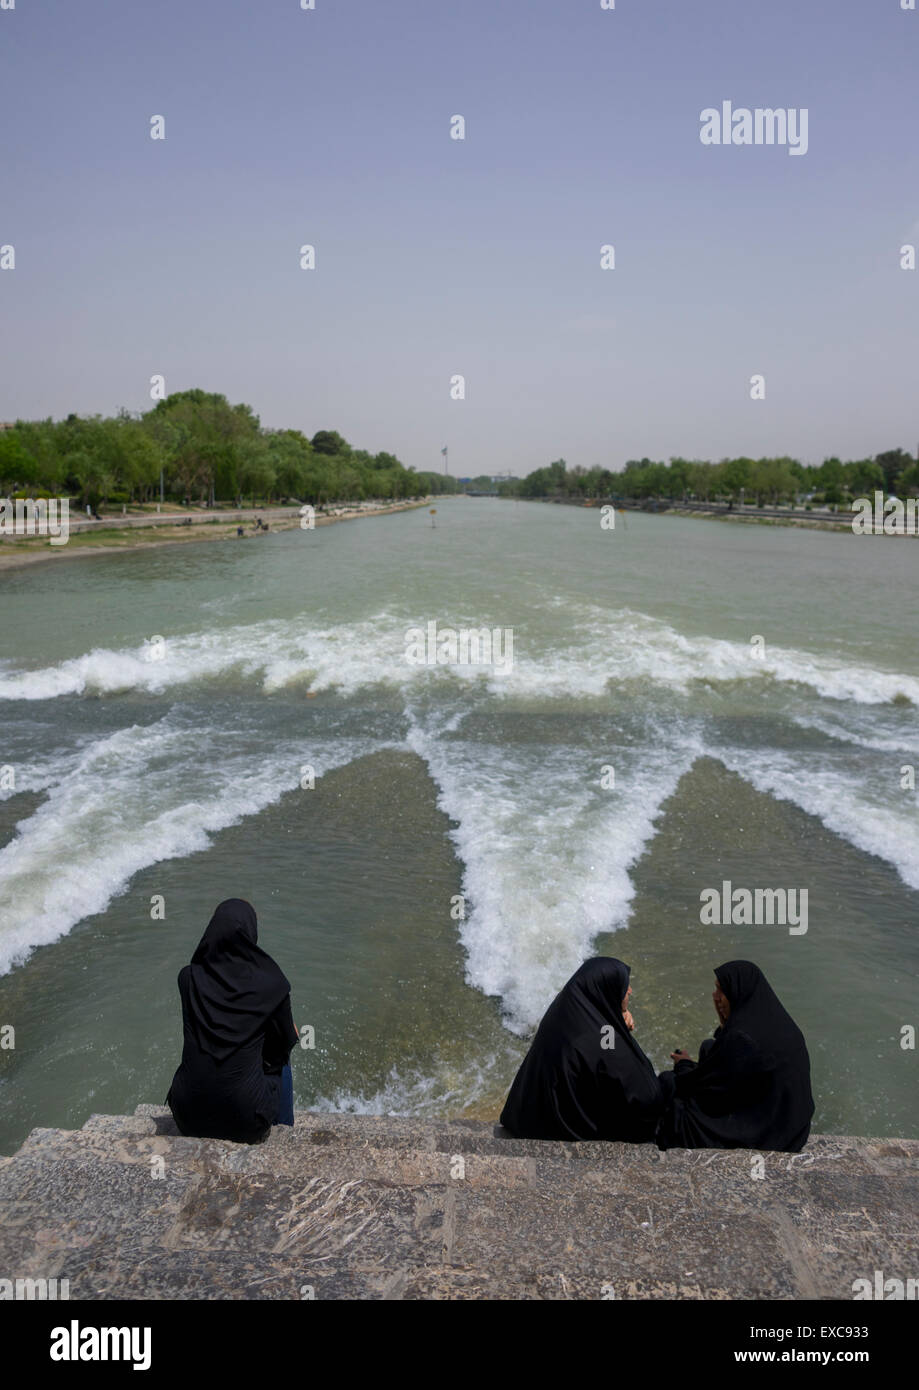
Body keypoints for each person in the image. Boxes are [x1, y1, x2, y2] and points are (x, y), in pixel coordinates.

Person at [165, 898, 298, 1143]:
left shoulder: (188, 978)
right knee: (282, 1062)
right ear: (251, 934)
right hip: (246, 1122)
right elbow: (286, 1042)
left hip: (186, 1116)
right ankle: (285, 1131)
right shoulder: (272, 985)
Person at [499, 957, 664, 1142]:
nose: (630, 991)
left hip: (530, 1116)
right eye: (625, 987)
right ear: (606, 992)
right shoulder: (605, 1042)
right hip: (563, 1131)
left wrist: (618, 1014)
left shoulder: (568, 1010)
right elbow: (646, 1098)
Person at [656, 960, 814, 1153]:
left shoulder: (741, 1038)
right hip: (792, 1126)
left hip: (770, 1138)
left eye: (721, 990)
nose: (715, 997)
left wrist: (684, 1066)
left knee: (669, 1086)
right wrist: (725, 1023)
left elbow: (702, 1091)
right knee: (708, 1047)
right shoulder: (776, 1020)